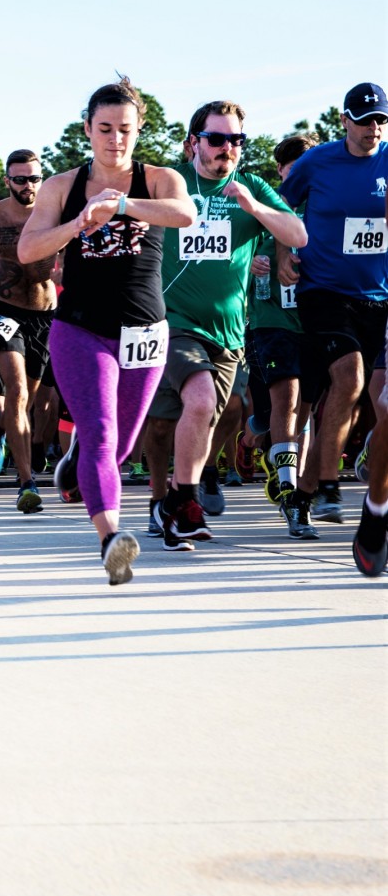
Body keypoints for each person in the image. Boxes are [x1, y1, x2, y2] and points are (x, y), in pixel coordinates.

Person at [16, 78, 196, 584]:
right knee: (99, 432)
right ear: (87, 130)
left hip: (144, 331)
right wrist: (78, 224)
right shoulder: (61, 186)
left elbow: (185, 214)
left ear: (139, 131)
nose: (115, 139)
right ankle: (111, 538)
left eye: (125, 130)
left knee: (118, 448)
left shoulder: (158, 178)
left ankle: (80, 465)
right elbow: (30, 250)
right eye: (104, 129)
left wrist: (120, 206)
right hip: (81, 329)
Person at [142, 101, 305, 549]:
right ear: (195, 142)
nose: (227, 148)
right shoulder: (171, 182)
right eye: (217, 139)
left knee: (199, 416)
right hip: (171, 321)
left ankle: (169, 504)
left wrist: (254, 207)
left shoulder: (250, 187)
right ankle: (179, 503)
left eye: (236, 140)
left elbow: (298, 235)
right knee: (181, 409)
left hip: (229, 331)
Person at [278, 82, 388, 530]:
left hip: (379, 296)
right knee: (349, 377)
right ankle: (327, 488)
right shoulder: (317, 161)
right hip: (323, 291)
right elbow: (279, 207)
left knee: (378, 400)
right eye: (364, 120)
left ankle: (304, 493)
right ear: (344, 120)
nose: (373, 128)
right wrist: (283, 252)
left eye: (380, 119)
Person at [0, 150, 58, 512]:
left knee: (34, 401)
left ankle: (1, 427)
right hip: (5, 310)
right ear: (7, 180)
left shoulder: (56, 213)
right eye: (20, 179)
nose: (28, 185)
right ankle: (26, 483)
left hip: (46, 314)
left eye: (34, 178)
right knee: (18, 392)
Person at [247, 135, 324, 529]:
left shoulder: (325, 206)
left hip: (315, 318)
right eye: (293, 166)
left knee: (306, 408)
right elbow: (226, 256)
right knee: (287, 396)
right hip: (271, 319)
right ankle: (290, 488)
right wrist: (250, 267)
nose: (301, 173)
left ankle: (294, 482)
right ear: (280, 171)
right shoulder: (263, 205)